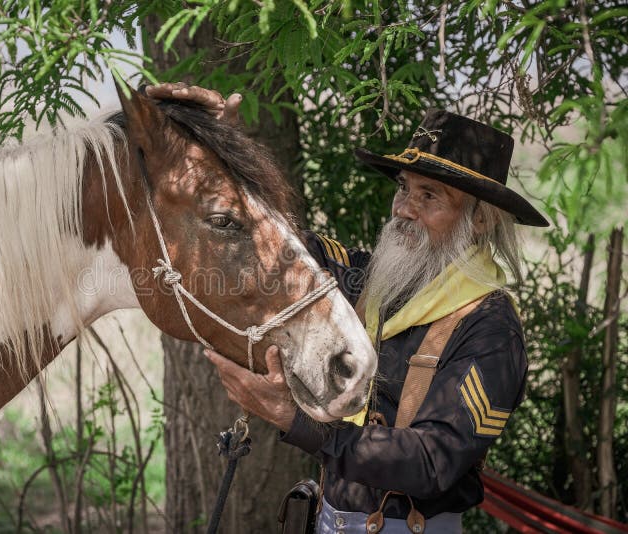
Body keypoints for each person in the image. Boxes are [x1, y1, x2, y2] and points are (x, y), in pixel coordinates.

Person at [146, 83, 549, 533]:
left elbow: (432, 463)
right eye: (404, 189)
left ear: (479, 219)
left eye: (429, 196)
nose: (404, 209)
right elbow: (276, 243)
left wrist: (294, 420)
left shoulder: (490, 326)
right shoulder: (370, 277)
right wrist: (219, 149)